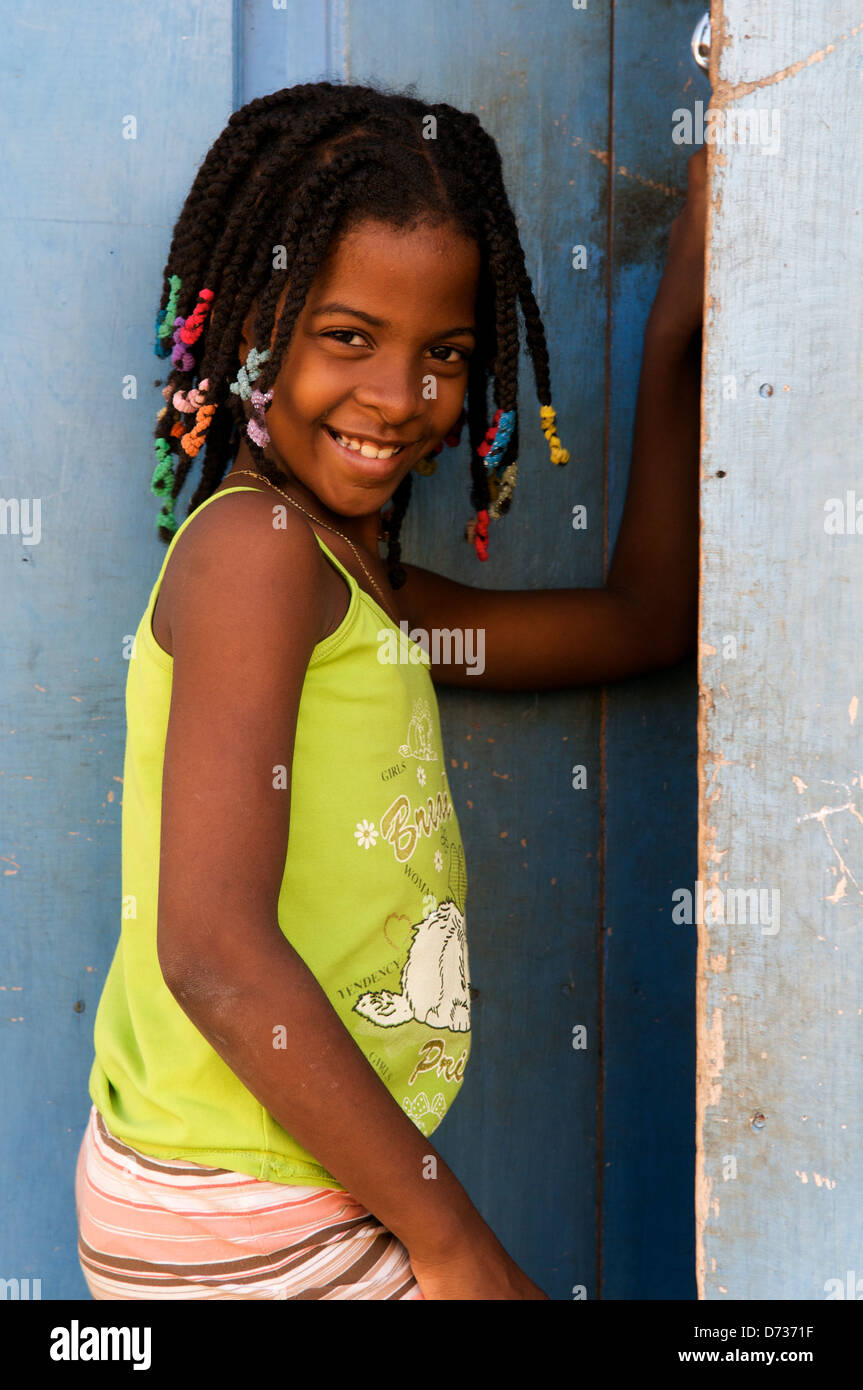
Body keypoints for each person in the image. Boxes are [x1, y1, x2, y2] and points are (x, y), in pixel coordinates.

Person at [76, 81, 706, 1301]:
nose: (398, 398)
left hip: (245, 1188)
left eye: (447, 355)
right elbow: (210, 947)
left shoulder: (365, 597)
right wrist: (454, 1243)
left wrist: (674, 337)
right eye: (347, 337)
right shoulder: (257, 557)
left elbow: (642, 624)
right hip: (242, 1209)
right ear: (254, 321)